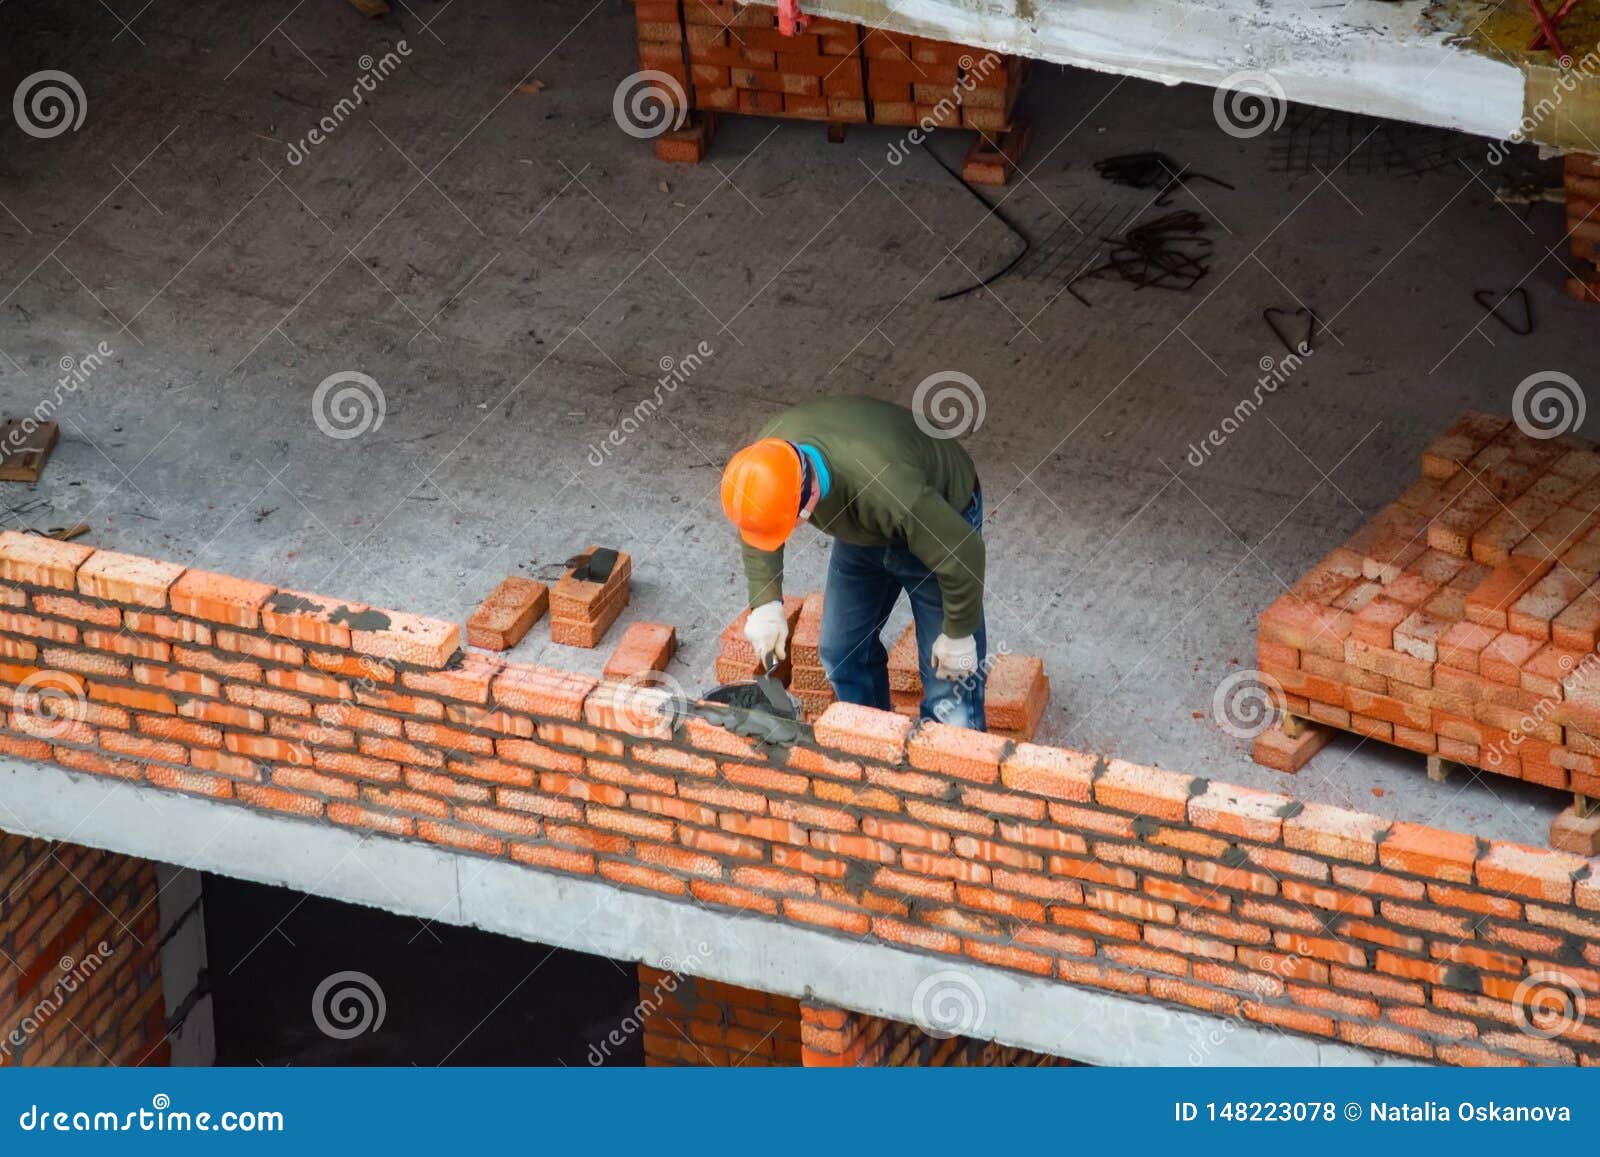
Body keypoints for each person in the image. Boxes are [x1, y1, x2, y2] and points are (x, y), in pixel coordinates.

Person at [719, 395, 986, 729]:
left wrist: (959, 632)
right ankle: (875, 745)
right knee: (842, 653)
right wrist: (765, 602)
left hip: (940, 516)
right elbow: (758, 520)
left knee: (949, 683)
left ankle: (952, 776)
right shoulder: (768, 460)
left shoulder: (894, 493)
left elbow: (964, 552)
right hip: (865, 524)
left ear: (810, 500)